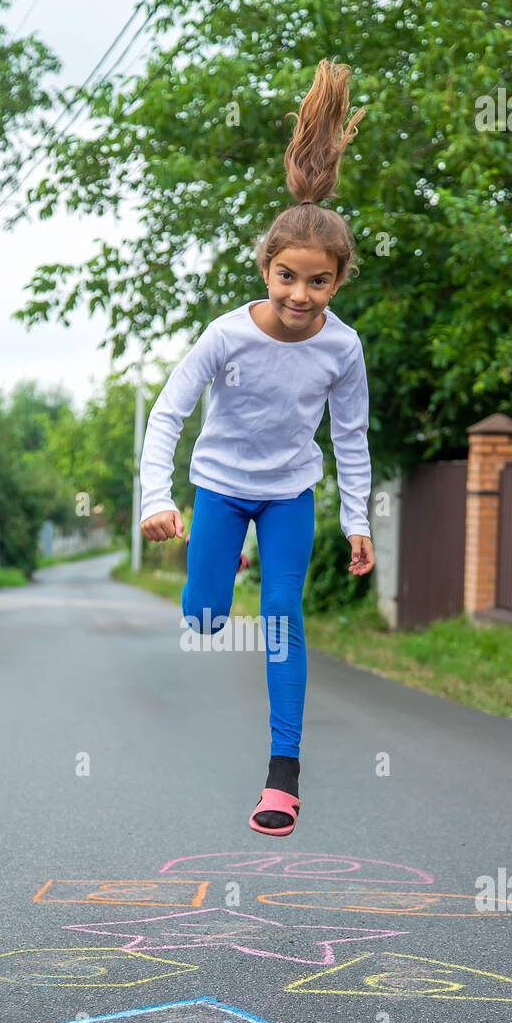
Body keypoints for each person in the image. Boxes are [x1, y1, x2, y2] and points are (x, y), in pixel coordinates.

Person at [139, 58, 374, 837]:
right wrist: (156, 499)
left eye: (318, 282)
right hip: (219, 486)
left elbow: (349, 434)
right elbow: (169, 414)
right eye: (286, 277)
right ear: (265, 268)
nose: (299, 296)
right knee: (204, 619)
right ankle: (222, 563)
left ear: (338, 281)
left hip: (288, 494)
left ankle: (283, 777)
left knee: (281, 616)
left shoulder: (343, 349)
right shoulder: (225, 336)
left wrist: (358, 521)